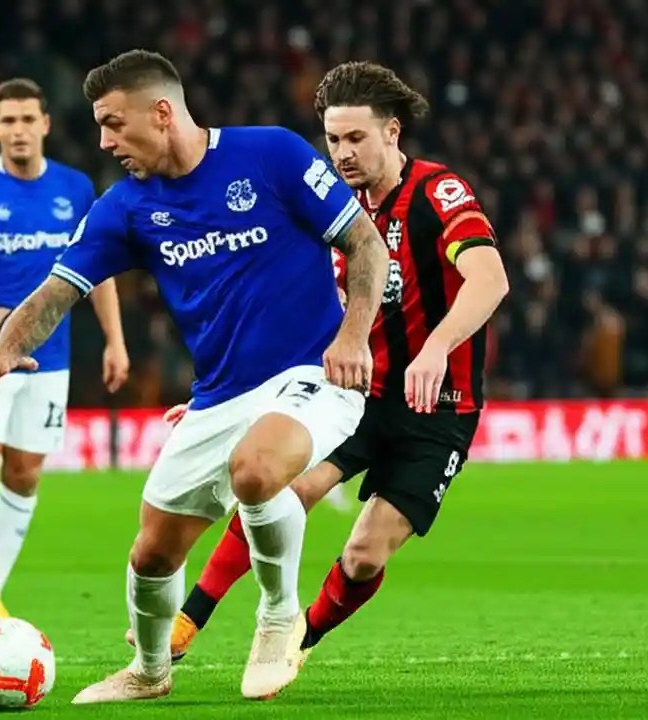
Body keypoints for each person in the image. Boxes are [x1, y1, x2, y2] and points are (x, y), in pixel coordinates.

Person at [0, 49, 388, 703]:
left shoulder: (273, 157)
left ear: (162, 112)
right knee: (151, 555)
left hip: (315, 371)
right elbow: (59, 289)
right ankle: (149, 671)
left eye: (114, 124)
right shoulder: (127, 207)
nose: (106, 141)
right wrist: (6, 347)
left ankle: (280, 617)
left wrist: (353, 334)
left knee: (256, 470)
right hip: (218, 396)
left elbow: (367, 242)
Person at [131, 60, 510, 675]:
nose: (343, 152)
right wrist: (230, 400)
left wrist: (437, 349)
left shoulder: (440, 193)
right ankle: (189, 618)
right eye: (333, 139)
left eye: (356, 138)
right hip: (358, 393)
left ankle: (297, 639)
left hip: (439, 408)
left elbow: (490, 279)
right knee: (282, 486)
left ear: (392, 132)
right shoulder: (330, 208)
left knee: (362, 555)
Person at [0, 78, 130, 627]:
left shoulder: (75, 189)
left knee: (24, 472)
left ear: (45, 124)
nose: (18, 130)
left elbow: (98, 267)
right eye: (7, 121)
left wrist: (114, 338)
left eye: (26, 119)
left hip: (52, 357)